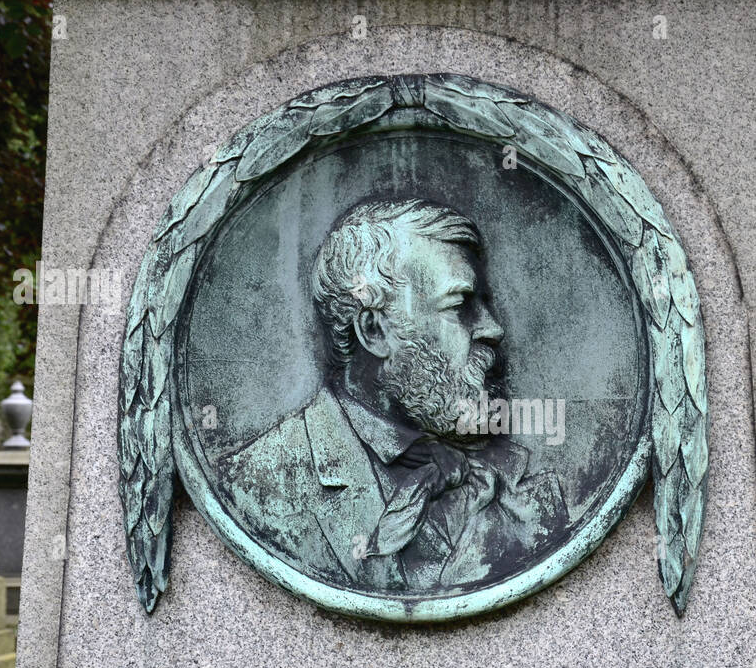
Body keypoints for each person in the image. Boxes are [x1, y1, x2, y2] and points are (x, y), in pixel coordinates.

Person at [220, 197, 567, 593]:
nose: (492, 328)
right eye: (460, 305)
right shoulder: (256, 485)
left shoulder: (513, 478)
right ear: (374, 331)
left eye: (485, 305)